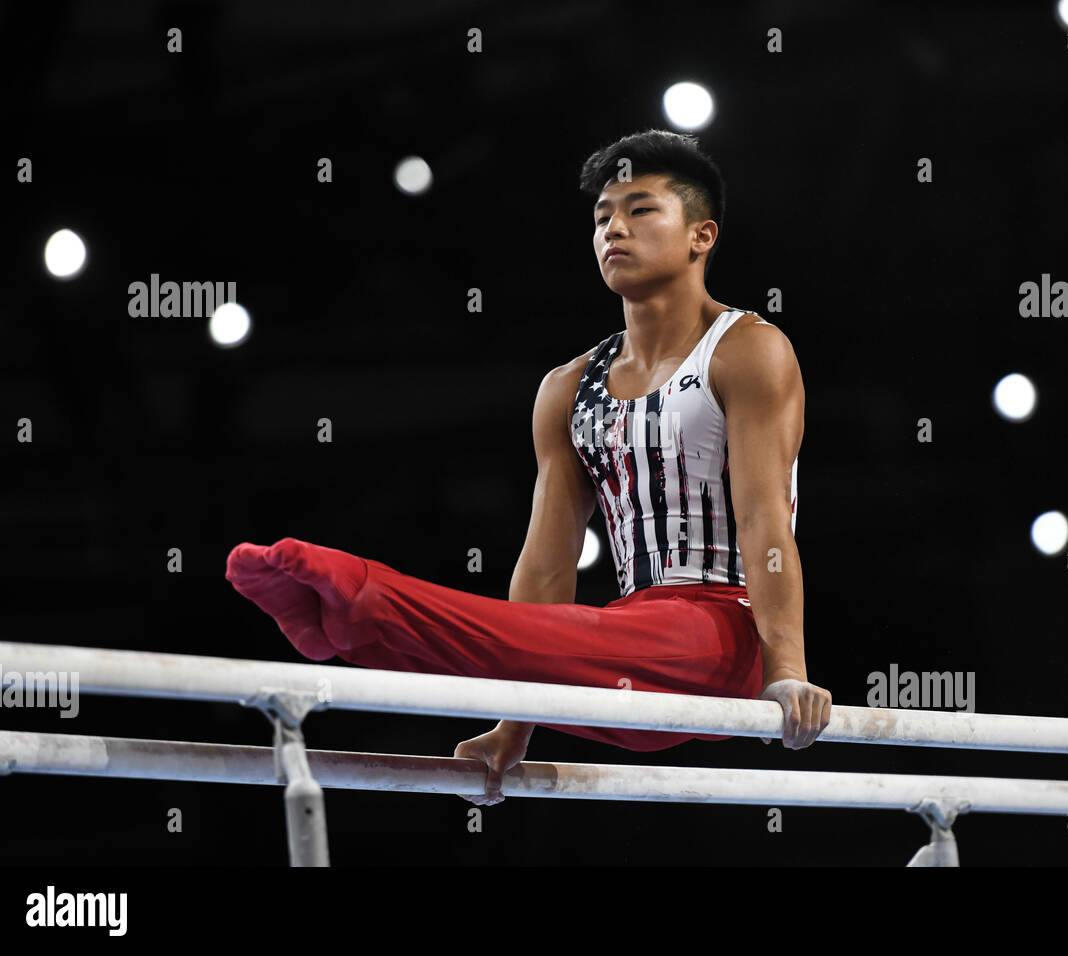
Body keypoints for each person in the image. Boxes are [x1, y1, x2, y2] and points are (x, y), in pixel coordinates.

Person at [224, 129, 831, 809]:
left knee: (576, 632)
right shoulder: (569, 388)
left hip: (727, 637)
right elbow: (546, 567)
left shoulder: (748, 349)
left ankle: (355, 598)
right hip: (626, 655)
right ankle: (348, 624)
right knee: (539, 630)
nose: (614, 229)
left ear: (701, 235)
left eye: (640, 210)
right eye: (602, 216)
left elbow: (763, 518)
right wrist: (512, 730)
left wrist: (787, 673)